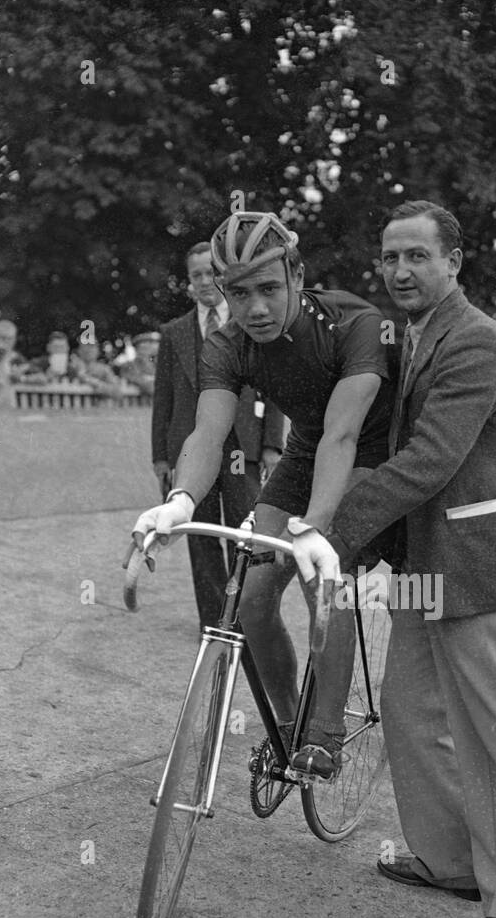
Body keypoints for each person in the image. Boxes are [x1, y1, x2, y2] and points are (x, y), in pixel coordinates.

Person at [288, 200, 496, 918]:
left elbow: (431, 461)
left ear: (454, 261)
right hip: (423, 565)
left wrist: (332, 531)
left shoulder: (476, 341)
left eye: (416, 256)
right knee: (409, 710)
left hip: (476, 569)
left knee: (491, 732)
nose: (399, 270)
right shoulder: (413, 337)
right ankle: (449, 862)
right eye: (389, 258)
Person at [133, 211, 394, 777]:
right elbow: (208, 433)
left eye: (270, 289)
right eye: (239, 293)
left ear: (297, 275)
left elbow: (344, 435)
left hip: (368, 449)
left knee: (324, 578)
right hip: (305, 448)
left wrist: (316, 526)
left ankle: (326, 733)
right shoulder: (229, 343)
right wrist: (179, 500)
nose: (255, 308)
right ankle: (287, 728)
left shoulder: (355, 321)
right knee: (250, 596)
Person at [149, 240, 287, 629]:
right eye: (197, 275)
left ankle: (247, 621)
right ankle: (214, 624)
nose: (206, 281)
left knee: (246, 536)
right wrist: (161, 457)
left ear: (223, 276)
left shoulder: (248, 321)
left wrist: (272, 444)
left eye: (211, 273)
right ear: (189, 283)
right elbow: (164, 398)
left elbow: (274, 388)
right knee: (201, 538)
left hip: (244, 446)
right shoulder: (174, 333)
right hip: (191, 451)